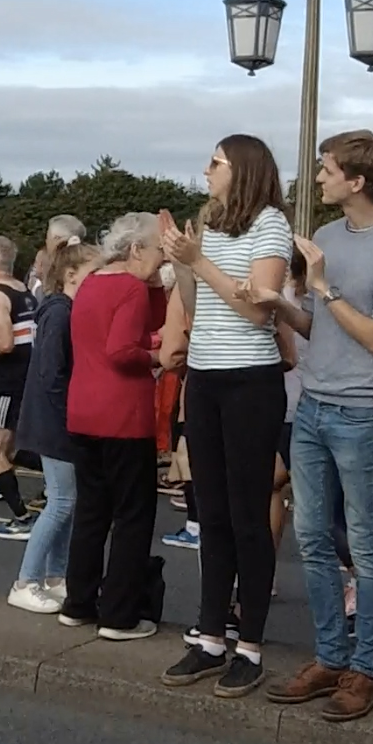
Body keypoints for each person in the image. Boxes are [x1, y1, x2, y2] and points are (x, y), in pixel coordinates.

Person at [253, 130, 373, 721]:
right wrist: (280, 304)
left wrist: (324, 287)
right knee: (313, 539)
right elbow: (318, 327)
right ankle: (329, 657)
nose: (318, 178)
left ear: (357, 180)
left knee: (367, 544)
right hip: (313, 406)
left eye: (326, 170)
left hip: (362, 411)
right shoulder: (325, 236)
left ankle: (365, 670)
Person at [155, 135, 295, 693]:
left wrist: (199, 261)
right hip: (206, 376)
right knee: (208, 512)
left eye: (216, 162)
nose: (207, 169)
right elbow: (199, 305)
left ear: (243, 170)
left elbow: (259, 308)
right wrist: (182, 262)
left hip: (250, 380)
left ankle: (251, 646)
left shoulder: (270, 224)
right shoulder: (211, 224)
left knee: (247, 516)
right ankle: (211, 636)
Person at [61, 213, 171, 640]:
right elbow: (124, 350)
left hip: (83, 407)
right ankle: (119, 614)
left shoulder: (92, 282)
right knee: (132, 516)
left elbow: (151, 320)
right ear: (137, 249)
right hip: (123, 413)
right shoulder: (129, 288)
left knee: (92, 511)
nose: (164, 259)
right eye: (159, 251)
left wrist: (155, 284)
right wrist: (156, 359)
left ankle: (79, 601)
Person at [8, 239, 98, 612]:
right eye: (94, 272)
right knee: (61, 501)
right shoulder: (60, 313)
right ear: (71, 274)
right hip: (54, 421)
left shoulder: (61, 309)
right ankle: (25, 581)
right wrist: (70, 415)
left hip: (53, 419)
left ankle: (56, 577)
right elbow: (51, 373)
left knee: (67, 502)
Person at [0, 235, 37, 538]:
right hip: (27, 377)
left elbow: (4, 343)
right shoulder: (23, 291)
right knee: (8, 448)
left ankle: (23, 517)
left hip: (10, 381)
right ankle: (71, 475)